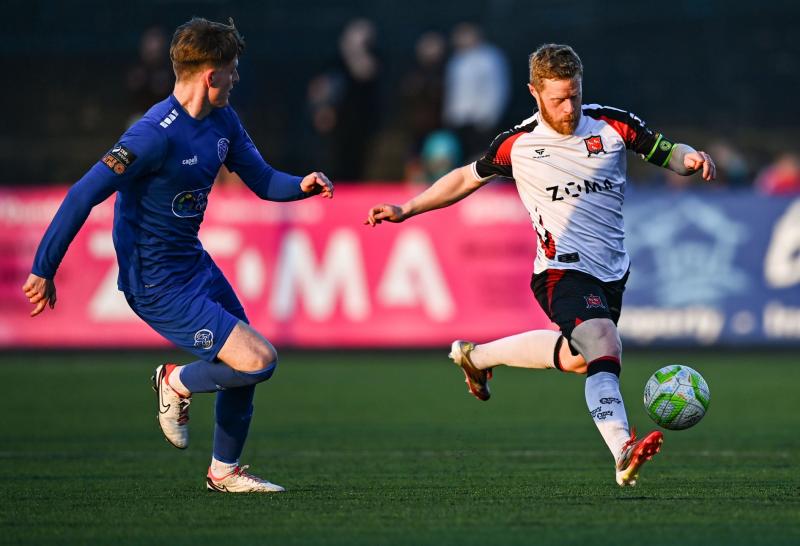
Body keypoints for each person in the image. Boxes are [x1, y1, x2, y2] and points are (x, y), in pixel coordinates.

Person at [365, 43, 716, 487]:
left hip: (611, 273)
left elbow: (667, 150)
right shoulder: (520, 143)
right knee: (604, 345)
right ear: (534, 91)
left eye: (574, 94)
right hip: (559, 271)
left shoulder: (611, 124)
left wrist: (690, 158)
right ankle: (622, 450)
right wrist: (407, 207)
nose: (568, 107)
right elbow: (464, 177)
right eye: (557, 98)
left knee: (575, 357)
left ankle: (476, 356)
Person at [22, 17, 333, 493]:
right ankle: (175, 381)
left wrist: (302, 185)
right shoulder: (152, 136)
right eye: (231, 69)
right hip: (156, 283)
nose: (236, 78)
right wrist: (44, 268)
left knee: (242, 367)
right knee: (259, 359)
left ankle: (224, 472)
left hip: (194, 265)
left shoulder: (223, 120)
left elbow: (263, 179)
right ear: (211, 76)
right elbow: (83, 194)